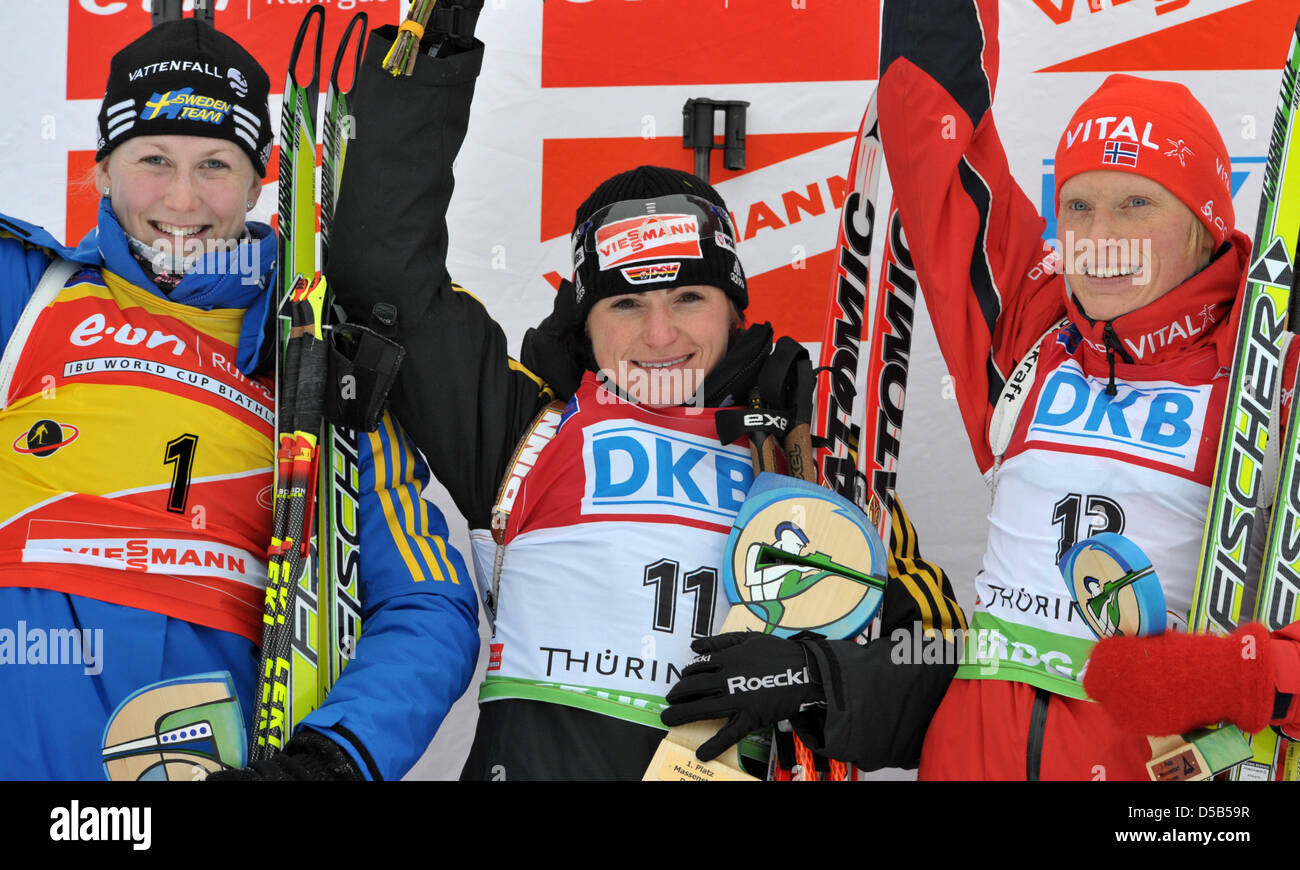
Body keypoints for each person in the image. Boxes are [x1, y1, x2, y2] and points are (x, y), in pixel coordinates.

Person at [326, 10, 965, 780]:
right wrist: (431, 52)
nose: (660, 336)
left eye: (689, 298)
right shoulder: (524, 428)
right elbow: (382, 277)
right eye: (626, 305)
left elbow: (945, 663)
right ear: (584, 323)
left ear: (734, 307)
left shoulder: (814, 459)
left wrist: (811, 679)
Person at [0, 16, 478, 781]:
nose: (183, 198)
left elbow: (427, 605)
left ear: (260, 182)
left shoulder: (319, 361)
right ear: (103, 169)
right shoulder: (26, 295)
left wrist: (332, 760)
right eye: (154, 159)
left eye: (215, 164)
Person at [877, 0, 1300, 779]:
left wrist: (1243, 677)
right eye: (1078, 206)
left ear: (1206, 221)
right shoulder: (1030, 328)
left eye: (1137, 204)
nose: (1099, 239)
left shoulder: (1271, 368)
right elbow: (932, 141)